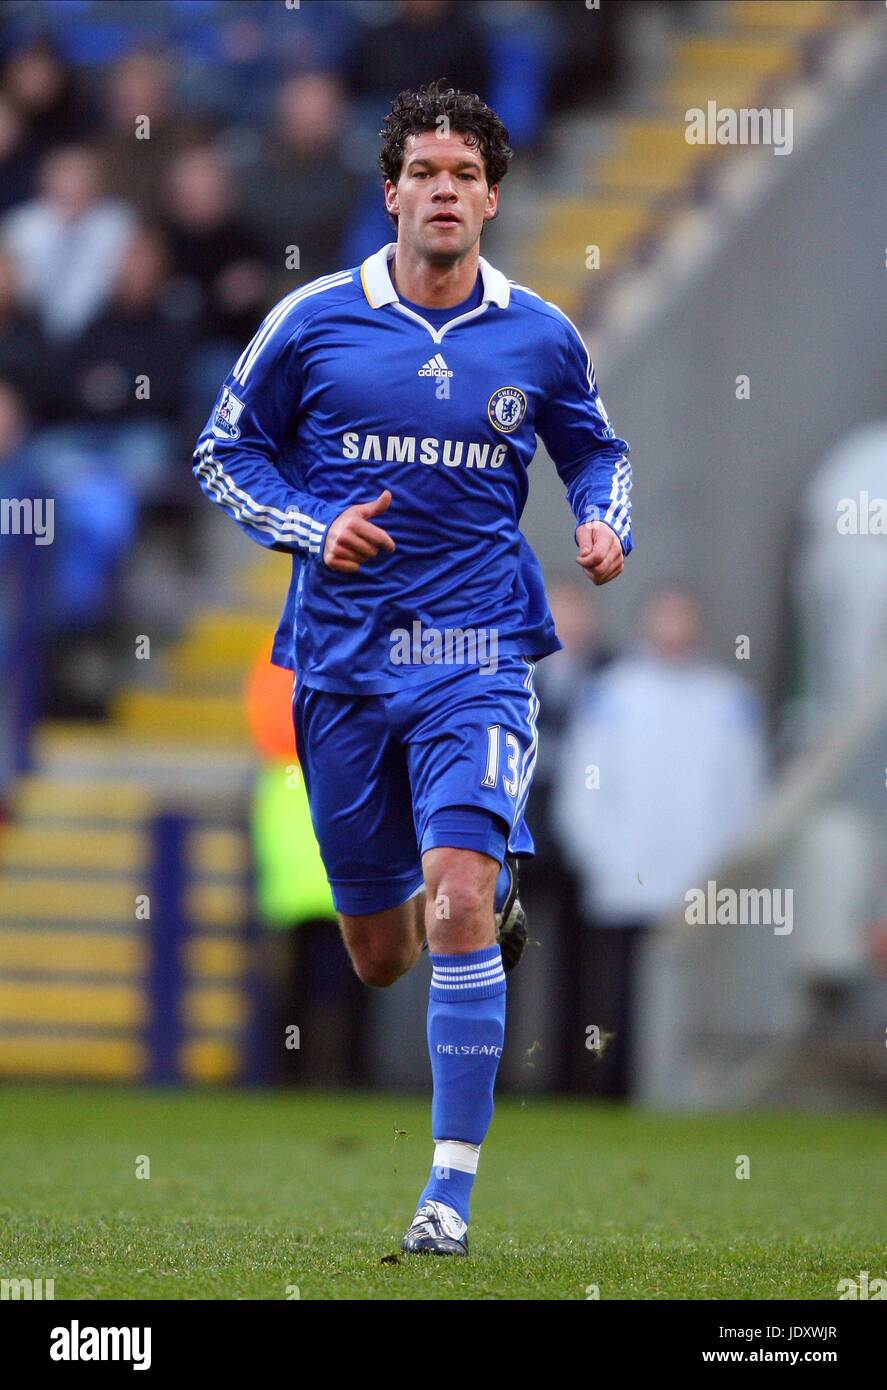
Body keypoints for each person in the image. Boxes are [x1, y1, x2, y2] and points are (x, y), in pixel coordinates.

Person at [192, 80, 632, 1258]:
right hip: (339, 664)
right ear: (390, 193)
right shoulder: (312, 322)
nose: (444, 193)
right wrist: (310, 525)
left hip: (475, 654)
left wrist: (602, 521)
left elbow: (597, 451)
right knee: (379, 953)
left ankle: (446, 1197)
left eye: (465, 176)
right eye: (424, 174)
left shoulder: (538, 333)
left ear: (491, 196)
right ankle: (481, 902)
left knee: (451, 897)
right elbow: (221, 450)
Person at [554, 588, 766, 1096]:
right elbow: (585, 784)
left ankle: (681, 1091)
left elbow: (745, 794)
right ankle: (605, 1087)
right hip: (624, 875)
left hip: (701, 878)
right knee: (615, 993)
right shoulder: (612, 693)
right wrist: (602, 856)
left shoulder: (729, 699)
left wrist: (725, 868)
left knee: (691, 994)